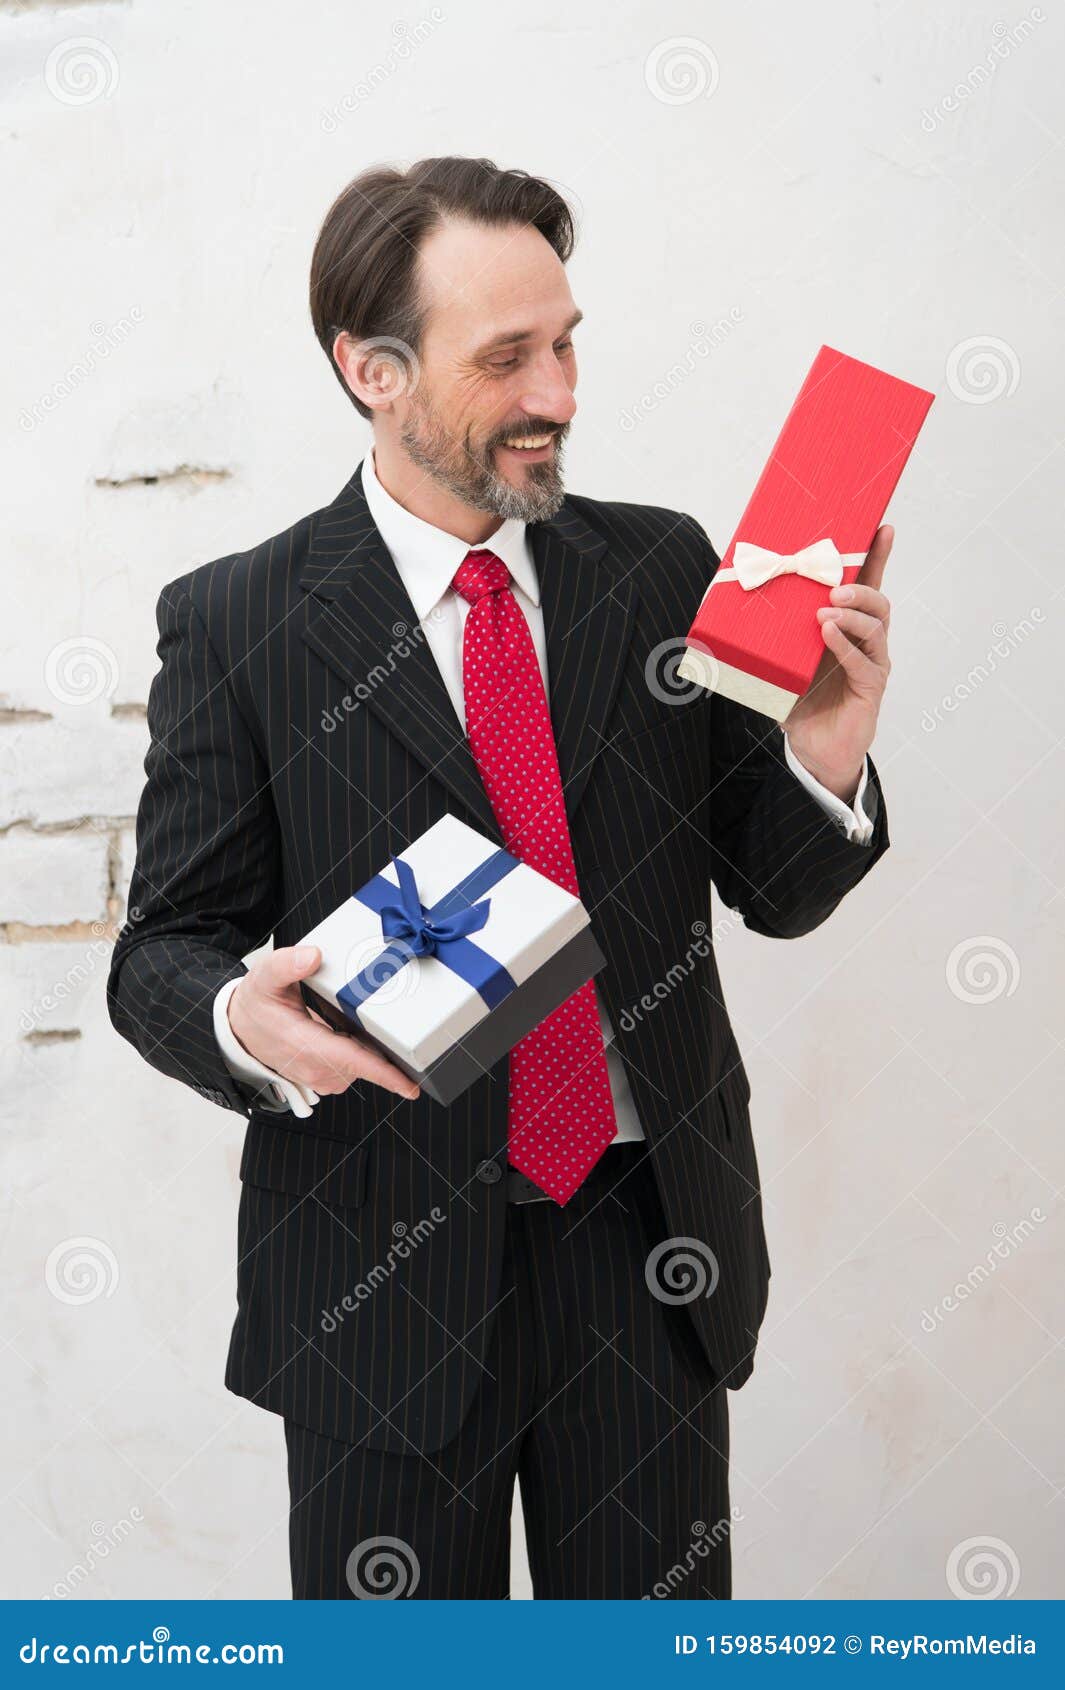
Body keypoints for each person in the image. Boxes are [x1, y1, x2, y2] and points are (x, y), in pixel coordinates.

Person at [108, 156, 893, 1600]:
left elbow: (771, 889)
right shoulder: (241, 621)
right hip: (375, 1264)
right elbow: (162, 946)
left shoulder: (660, 575)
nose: (561, 392)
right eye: (508, 357)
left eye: (569, 340)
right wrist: (239, 1019)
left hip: (641, 1250)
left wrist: (823, 757)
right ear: (373, 371)